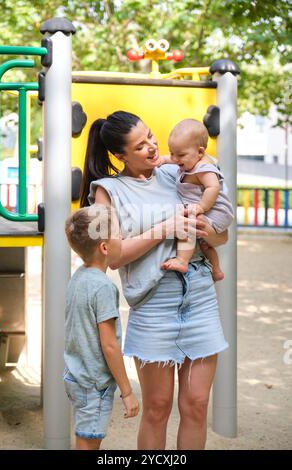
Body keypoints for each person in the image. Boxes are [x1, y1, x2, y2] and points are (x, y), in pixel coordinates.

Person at [80, 110, 229, 450]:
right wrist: (165, 229)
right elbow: (111, 256)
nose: (151, 147)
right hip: (153, 306)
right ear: (120, 156)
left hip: (200, 296)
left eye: (150, 136)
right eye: (139, 145)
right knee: (158, 409)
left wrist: (212, 232)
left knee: (197, 406)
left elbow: (221, 235)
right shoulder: (105, 191)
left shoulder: (179, 171)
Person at [64, 204, 139, 450]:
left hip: (76, 374)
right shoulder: (104, 288)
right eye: (118, 234)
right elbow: (109, 345)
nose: (123, 238)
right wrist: (127, 392)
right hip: (95, 382)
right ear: (104, 247)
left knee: (84, 435)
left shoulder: (79, 276)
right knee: (89, 441)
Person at [160, 118, 234, 281]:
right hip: (212, 215)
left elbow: (213, 188)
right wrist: (163, 160)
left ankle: (182, 260)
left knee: (188, 223)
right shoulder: (188, 162)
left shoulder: (204, 169)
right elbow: (170, 159)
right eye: (172, 153)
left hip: (216, 211)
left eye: (180, 155)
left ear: (200, 152)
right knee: (204, 244)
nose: (175, 159)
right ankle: (216, 269)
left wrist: (201, 207)